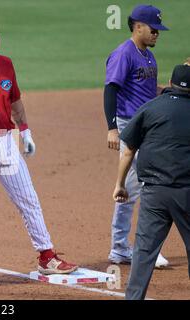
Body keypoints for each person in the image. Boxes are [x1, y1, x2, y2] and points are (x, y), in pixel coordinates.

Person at [0, 16, 78, 282]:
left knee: (28, 199)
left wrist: (25, 131)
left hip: (6, 141)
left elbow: (16, 101)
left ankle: (47, 256)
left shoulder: (6, 64)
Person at [113, 64, 190, 300]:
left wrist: (120, 184)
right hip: (186, 193)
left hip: (153, 193)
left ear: (170, 82)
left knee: (144, 253)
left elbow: (128, 150)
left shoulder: (151, 107)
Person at [103, 4, 169, 267]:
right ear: (138, 26)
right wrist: (112, 127)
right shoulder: (124, 54)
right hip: (131, 124)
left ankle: (136, 245)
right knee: (131, 187)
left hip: (149, 125)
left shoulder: (148, 56)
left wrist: (175, 90)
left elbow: (148, 90)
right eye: (153, 29)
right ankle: (120, 247)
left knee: (149, 184)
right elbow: (110, 90)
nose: (157, 34)